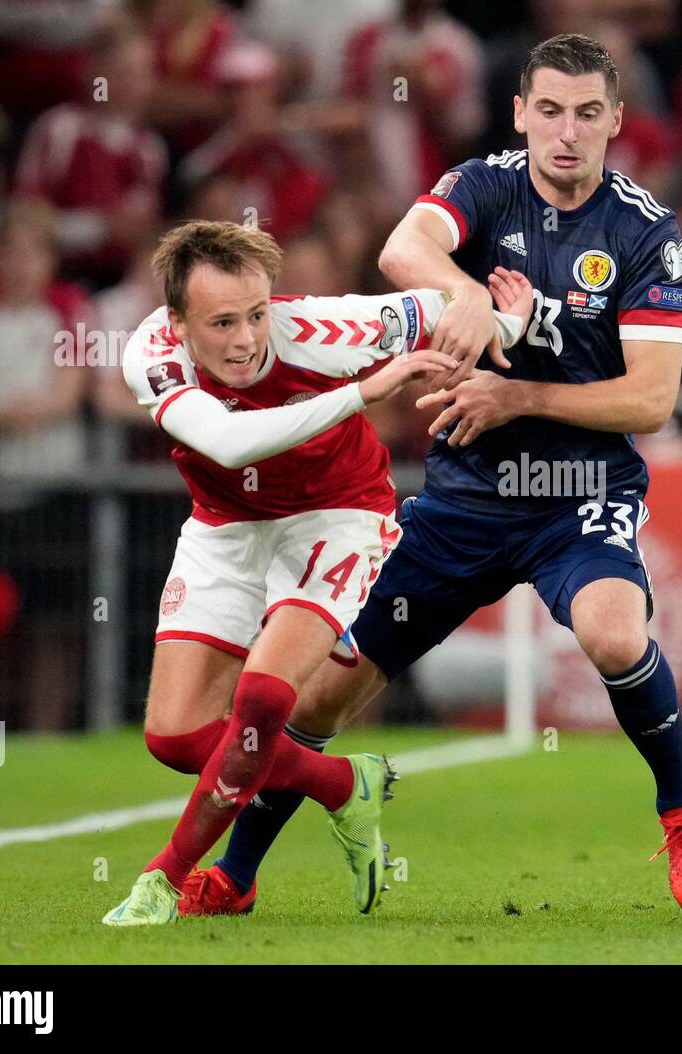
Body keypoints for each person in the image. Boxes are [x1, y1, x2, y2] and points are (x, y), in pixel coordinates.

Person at [187, 33, 682, 918]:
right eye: (548, 110)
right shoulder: (484, 185)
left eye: (587, 114)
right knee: (327, 689)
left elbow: (652, 400)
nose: (566, 132)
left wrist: (520, 397)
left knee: (612, 635)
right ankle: (237, 874)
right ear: (519, 113)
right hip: (463, 500)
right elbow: (404, 250)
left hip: (579, 496)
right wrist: (469, 296)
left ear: (616, 122)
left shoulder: (644, 231)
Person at [101, 219, 528, 925]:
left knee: (265, 703)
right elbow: (227, 441)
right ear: (177, 322)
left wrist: (505, 319)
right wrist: (366, 394)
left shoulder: (332, 327)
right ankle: (341, 783)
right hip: (225, 525)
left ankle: (164, 878)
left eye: (258, 314)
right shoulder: (151, 353)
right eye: (223, 321)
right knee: (173, 739)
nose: (246, 338)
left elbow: (452, 312)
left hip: (335, 516)